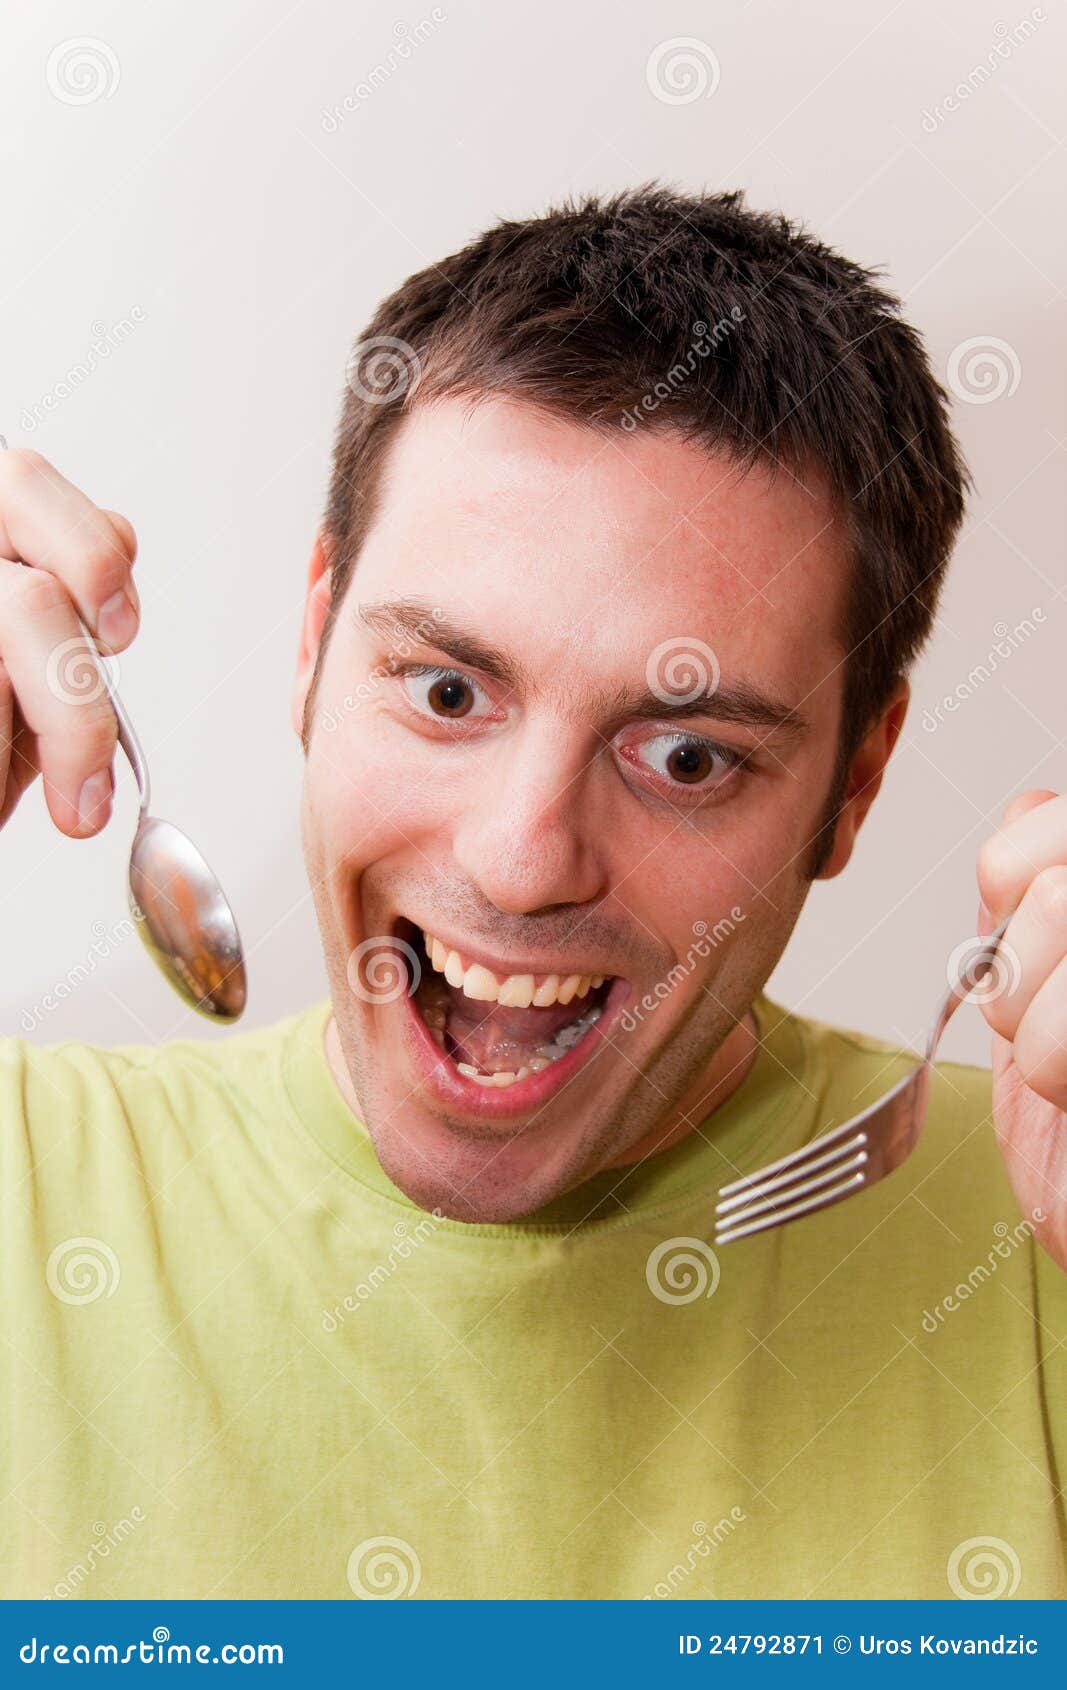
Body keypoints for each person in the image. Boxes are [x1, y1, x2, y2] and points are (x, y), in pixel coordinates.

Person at [1, 186, 1064, 1602]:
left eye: (686, 756)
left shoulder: (1030, 1221)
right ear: (316, 646)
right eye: (448, 689)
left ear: (853, 785)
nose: (521, 860)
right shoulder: (32, 1200)